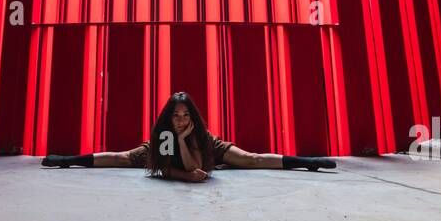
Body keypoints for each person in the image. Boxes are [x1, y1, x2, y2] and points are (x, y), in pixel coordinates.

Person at [42, 91, 337, 182]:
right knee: (120, 157)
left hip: (203, 149)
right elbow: (177, 169)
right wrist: (180, 154)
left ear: (192, 116)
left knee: (251, 159)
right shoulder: (163, 136)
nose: (181, 120)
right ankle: (66, 160)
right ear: (168, 117)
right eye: (176, 115)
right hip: (170, 150)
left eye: (186, 115)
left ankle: (307, 162)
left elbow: (197, 165)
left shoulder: (203, 135)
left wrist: (188, 141)